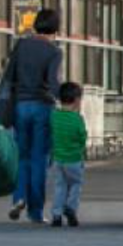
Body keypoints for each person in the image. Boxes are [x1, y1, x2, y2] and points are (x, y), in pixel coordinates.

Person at [4, 9, 63, 224]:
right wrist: (66, 100)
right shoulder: (54, 52)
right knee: (39, 158)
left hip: (20, 106)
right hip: (42, 107)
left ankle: (19, 198)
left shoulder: (21, 45)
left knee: (22, 156)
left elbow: (9, 75)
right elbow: (53, 83)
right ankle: (36, 212)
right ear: (56, 29)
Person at [50, 82, 87, 228]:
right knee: (76, 184)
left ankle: (56, 215)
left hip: (58, 159)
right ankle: (70, 208)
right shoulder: (77, 119)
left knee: (60, 186)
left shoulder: (54, 117)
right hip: (74, 159)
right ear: (77, 100)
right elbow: (82, 138)